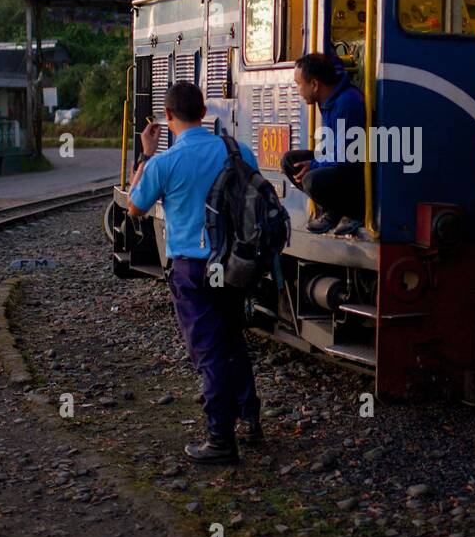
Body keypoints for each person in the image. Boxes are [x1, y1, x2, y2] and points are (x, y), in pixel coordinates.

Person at [126, 81, 262, 464]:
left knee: (209, 352)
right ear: (204, 113)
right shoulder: (238, 151)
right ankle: (250, 419)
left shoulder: (164, 163)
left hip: (192, 269)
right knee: (232, 341)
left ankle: (221, 439)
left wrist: (145, 154)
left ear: (167, 117)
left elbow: (134, 208)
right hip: (233, 266)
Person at [281, 52, 367, 237]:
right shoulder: (328, 100)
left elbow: (346, 157)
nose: (298, 90)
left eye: (299, 84)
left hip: (352, 170)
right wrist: (314, 162)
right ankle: (333, 210)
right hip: (339, 161)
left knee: (312, 180)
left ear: (314, 84)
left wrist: (314, 165)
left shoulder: (347, 103)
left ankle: (353, 212)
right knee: (289, 161)